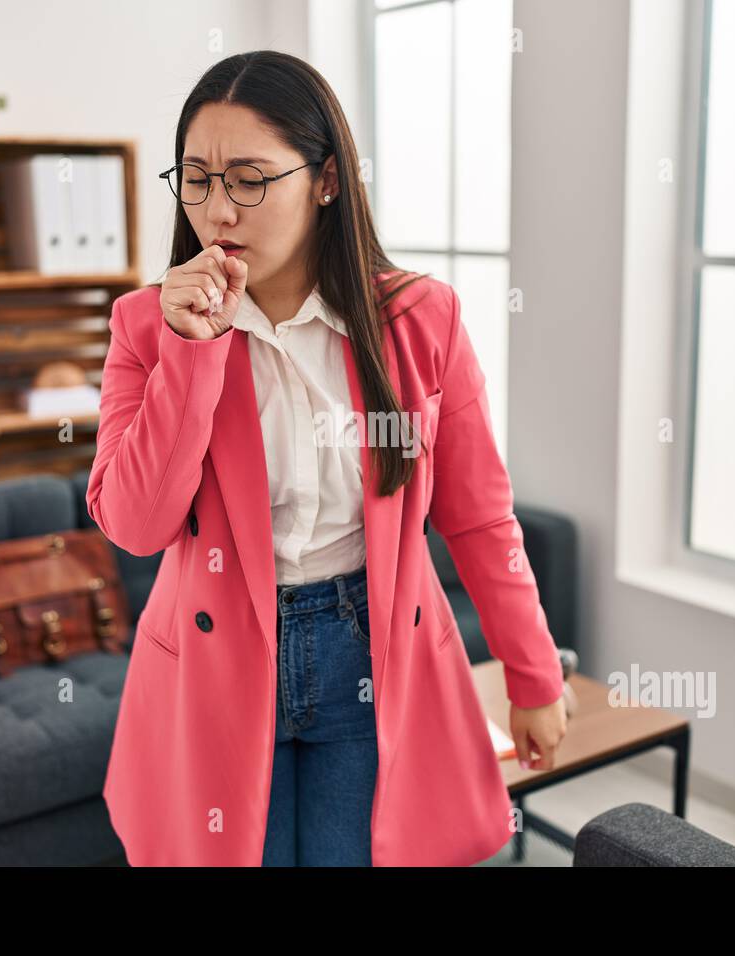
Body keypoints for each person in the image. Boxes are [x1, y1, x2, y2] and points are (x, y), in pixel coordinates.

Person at [88, 50, 567, 867]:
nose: (217, 208)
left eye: (248, 178)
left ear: (327, 180)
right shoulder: (148, 325)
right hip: (218, 665)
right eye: (197, 178)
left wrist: (534, 675)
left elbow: (480, 515)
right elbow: (137, 525)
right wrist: (191, 352)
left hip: (366, 651)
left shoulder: (422, 321)